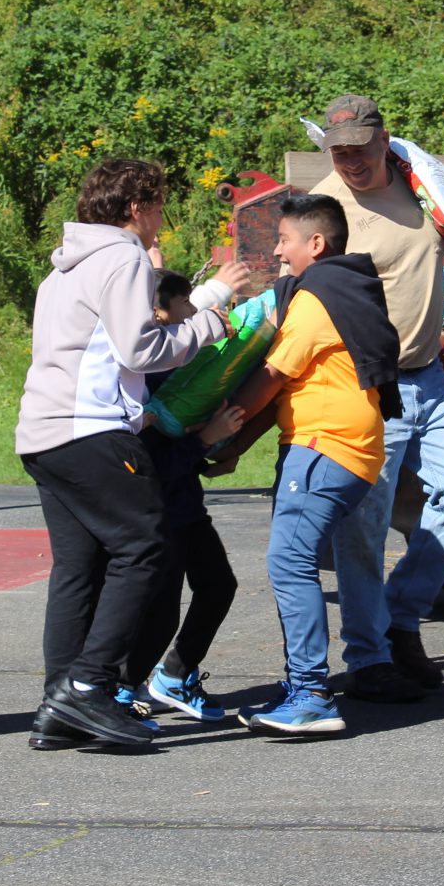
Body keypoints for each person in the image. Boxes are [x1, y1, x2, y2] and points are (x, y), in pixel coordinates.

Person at [16, 158, 247, 750]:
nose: (161, 218)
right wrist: (211, 326)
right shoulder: (122, 256)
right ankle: (90, 688)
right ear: (137, 207)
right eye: (160, 205)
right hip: (89, 429)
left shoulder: (63, 268)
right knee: (145, 544)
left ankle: (59, 705)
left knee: (78, 570)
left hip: (43, 434)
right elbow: (142, 349)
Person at [307, 94, 444, 700]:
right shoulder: (329, 207)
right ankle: (368, 659)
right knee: (363, 528)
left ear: (383, 139)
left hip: (430, 376)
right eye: (339, 154)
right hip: (372, 386)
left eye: (361, 151)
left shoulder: (420, 183)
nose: (351, 164)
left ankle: (399, 617)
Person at [224, 193, 401, 737]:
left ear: (316, 244)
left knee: (289, 562)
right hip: (349, 446)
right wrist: (236, 445)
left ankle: (310, 695)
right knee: (297, 560)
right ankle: (304, 685)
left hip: (324, 446)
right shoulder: (348, 287)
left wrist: (216, 429)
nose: (278, 252)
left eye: (285, 241)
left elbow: (274, 374)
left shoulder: (317, 298)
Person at [122, 270, 248, 724]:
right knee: (157, 614)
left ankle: (174, 675)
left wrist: (212, 451)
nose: (193, 319)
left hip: (185, 506)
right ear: (161, 313)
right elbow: (152, 466)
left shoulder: (176, 368)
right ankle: (120, 690)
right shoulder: (148, 378)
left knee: (218, 586)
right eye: (187, 310)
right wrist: (202, 443)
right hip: (159, 512)